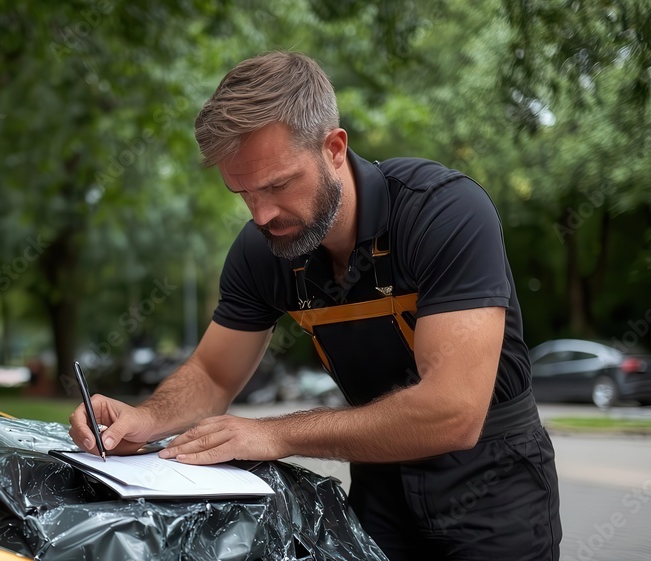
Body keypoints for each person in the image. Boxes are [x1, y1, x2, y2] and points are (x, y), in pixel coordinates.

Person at [70, 51, 561, 560]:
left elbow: (453, 413)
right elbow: (215, 374)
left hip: (494, 482)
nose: (262, 214)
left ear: (333, 147)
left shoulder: (444, 212)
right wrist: (146, 419)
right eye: (242, 193)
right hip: (378, 478)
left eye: (278, 185)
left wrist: (274, 434)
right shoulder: (263, 249)